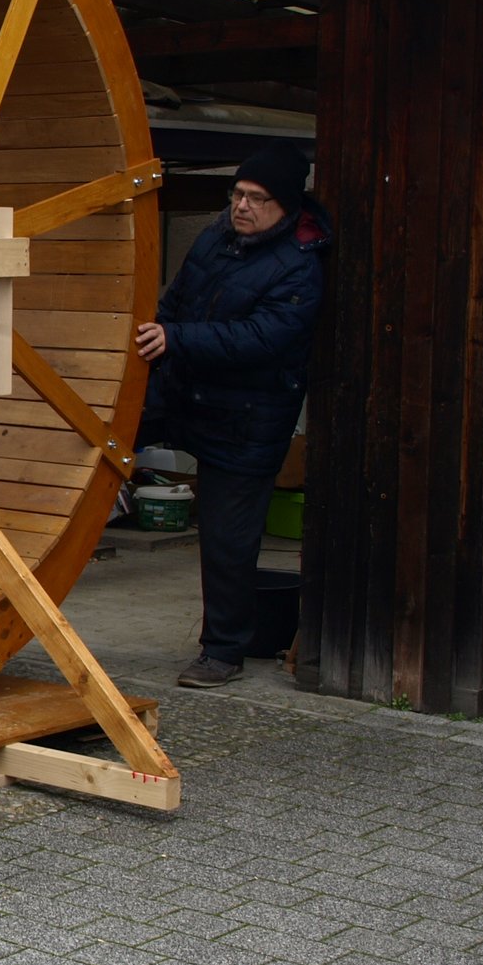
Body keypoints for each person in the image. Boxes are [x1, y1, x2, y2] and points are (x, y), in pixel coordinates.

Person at [136, 141, 329, 688]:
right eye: (237, 193)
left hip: (249, 416)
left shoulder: (300, 266)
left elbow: (262, 339)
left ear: (285, 206)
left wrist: (177, 338)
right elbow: (177, 299)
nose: (242, 206)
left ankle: (223, 652)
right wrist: (160, 333)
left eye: (256, 198)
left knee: (228, 537)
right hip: (188, 393)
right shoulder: (218, 235)